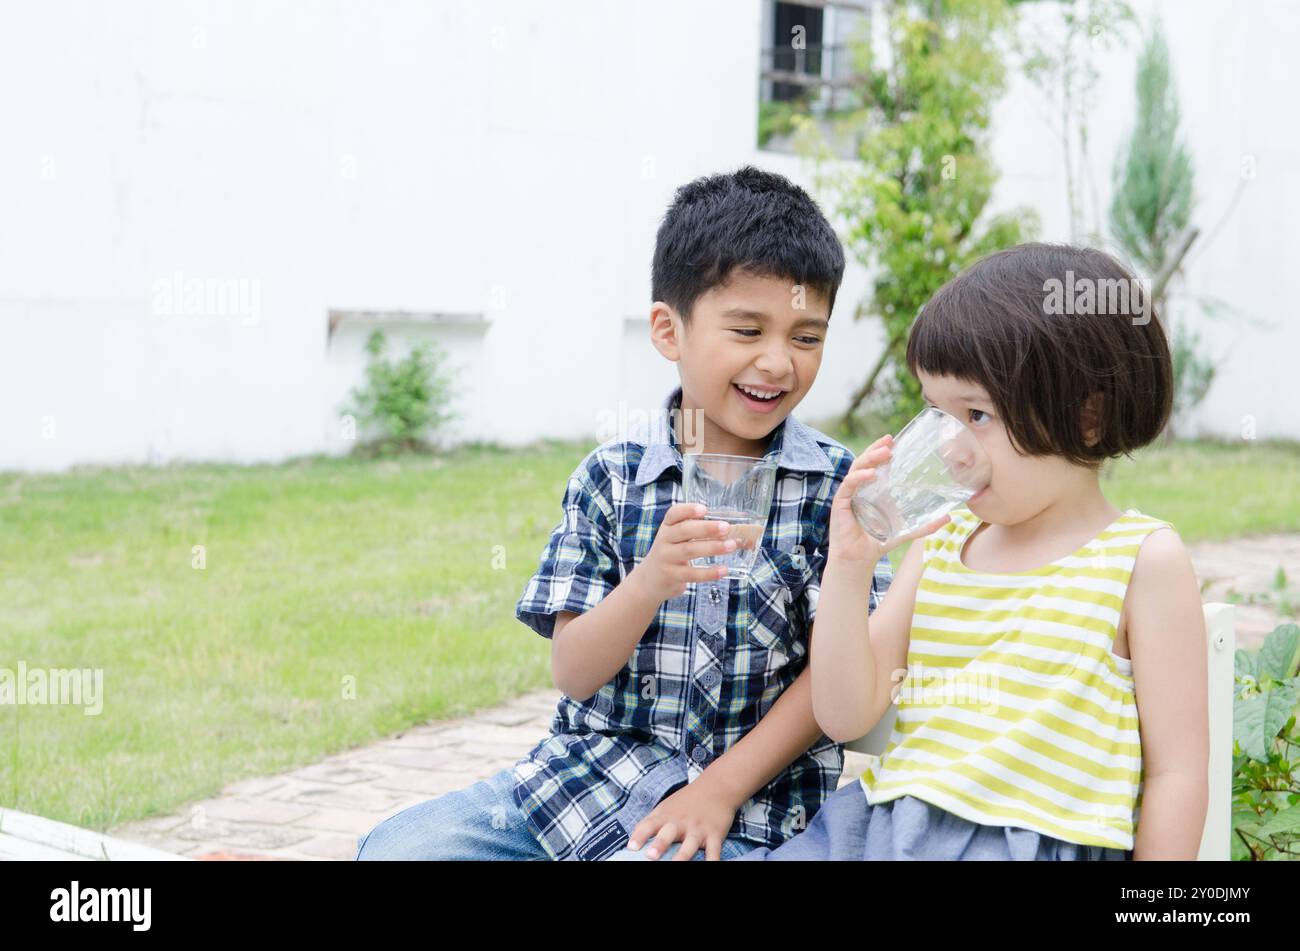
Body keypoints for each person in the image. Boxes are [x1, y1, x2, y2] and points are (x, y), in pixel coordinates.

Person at [355, 166, 893, 861]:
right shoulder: (611, 480)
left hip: (743, 809)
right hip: (581, 788)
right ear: (669, 330)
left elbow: (840, 685)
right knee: (400, 849)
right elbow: (574, 672)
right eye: (748, 328)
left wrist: (720, 790)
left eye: (806, 336)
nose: (776, 361)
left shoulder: (835, 492)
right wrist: (649, 582)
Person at [735, 243, 1209, 861]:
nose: (951, 448)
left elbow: (1178, 774)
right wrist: (849, 565)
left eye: (978, 414)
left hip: (1024, 843)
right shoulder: (945, 542)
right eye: (937, 413)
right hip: (878, 829)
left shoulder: (1142, 560)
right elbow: (845, 713)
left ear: (1088, 419)